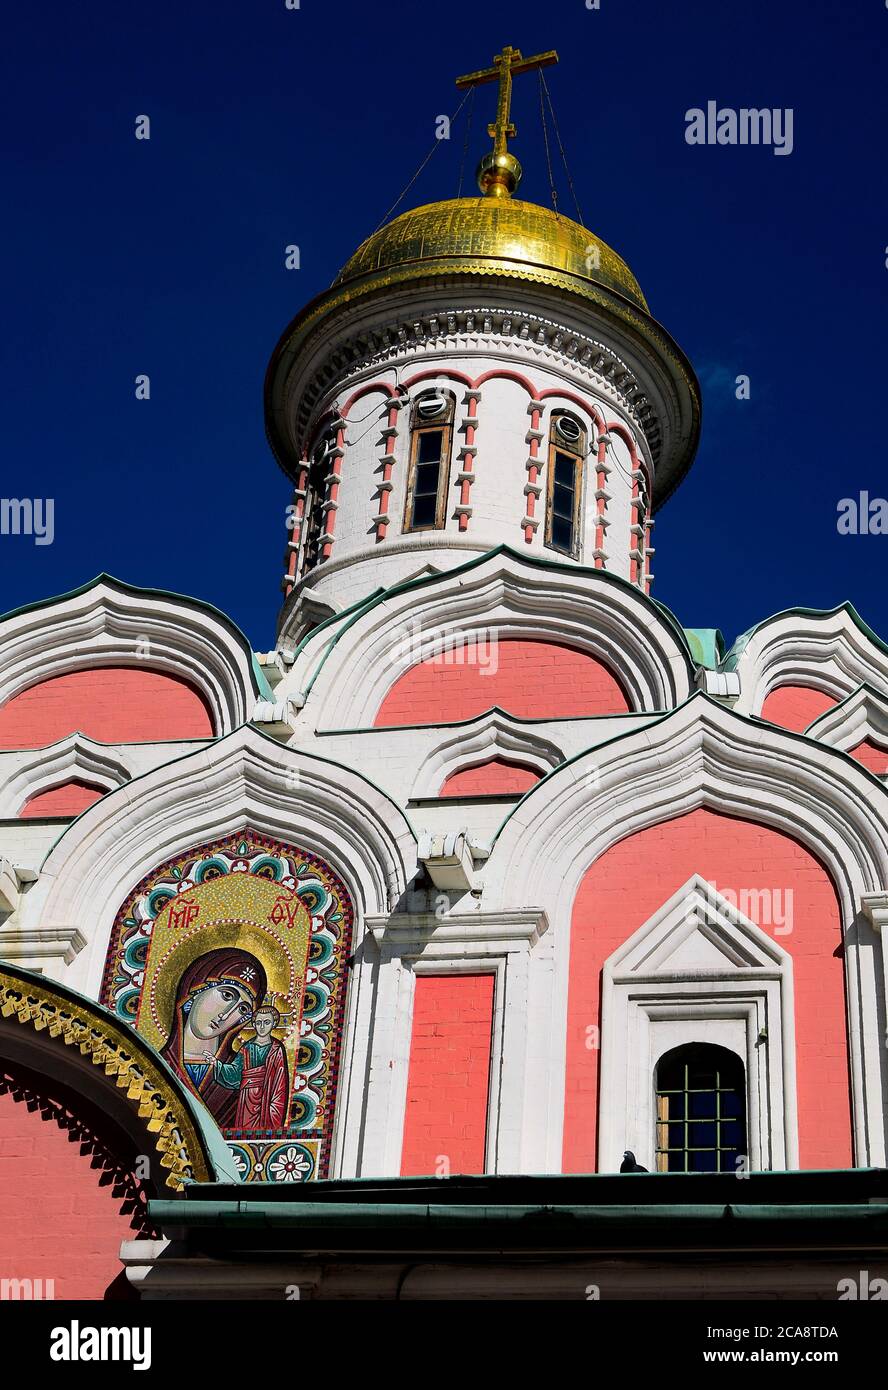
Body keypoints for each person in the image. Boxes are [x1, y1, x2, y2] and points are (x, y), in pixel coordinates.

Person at [160, 947, 267, 1127]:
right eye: (227, 995)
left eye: (242, 1009)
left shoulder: (240, 1075)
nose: (226, 1015)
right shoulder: (153, 1066)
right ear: (195, 989)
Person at [203, 1003, 290, 1129]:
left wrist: (273, 1105)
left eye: (266, 1022)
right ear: (253, 1024)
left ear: (273, 1024)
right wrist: (216, 1063)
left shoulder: (277, 1049)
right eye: (258, 1022)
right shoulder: (247, 1048)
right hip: (247, 1098)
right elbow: (235, 1072)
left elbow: (280, 1080)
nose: (262, 1026)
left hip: (268, 1095)